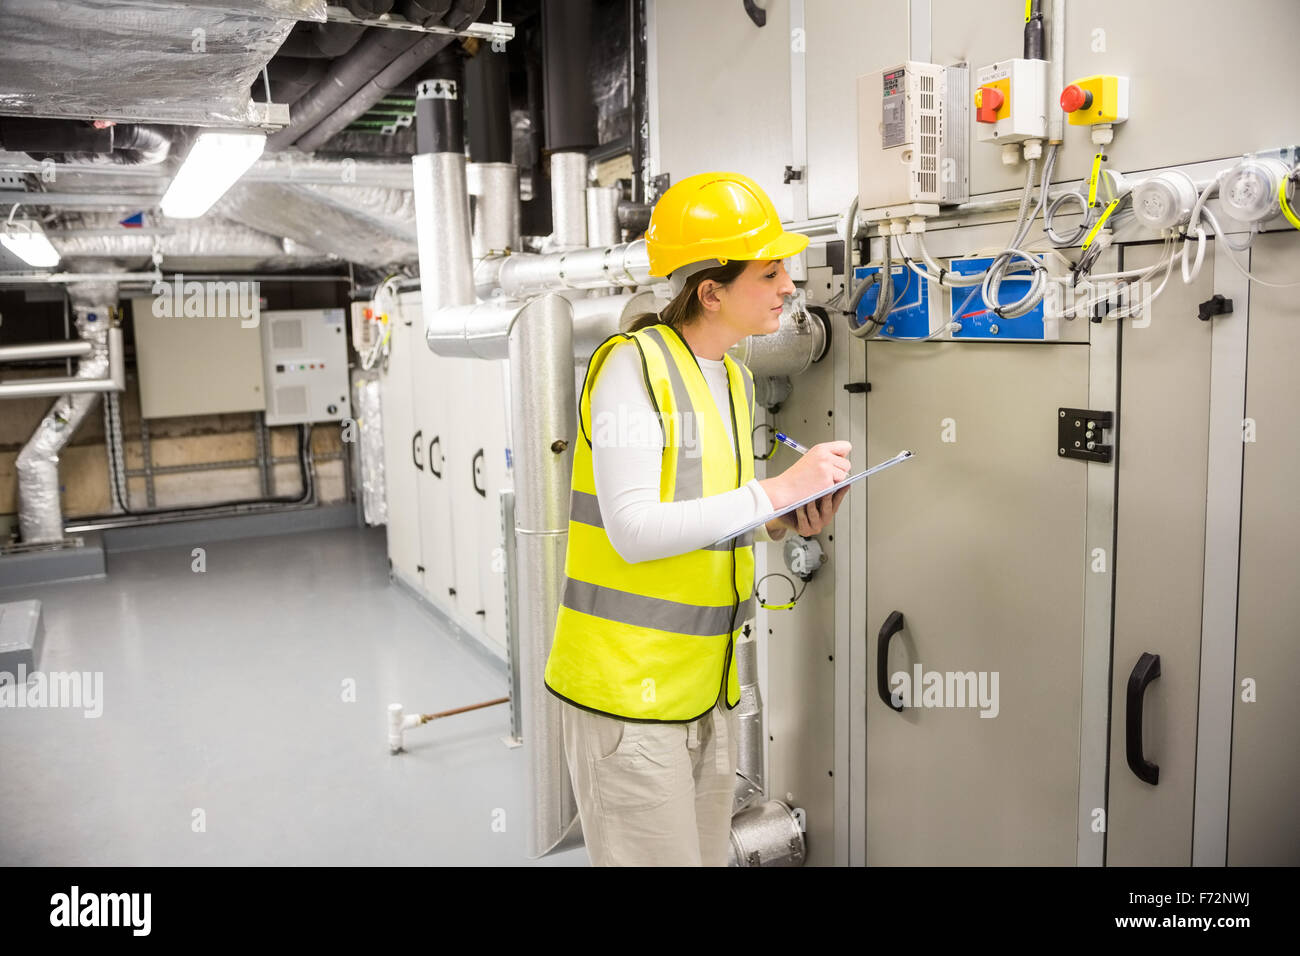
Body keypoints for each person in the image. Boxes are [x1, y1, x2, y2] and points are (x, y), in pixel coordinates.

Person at [544, 171, 851, 866]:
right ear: (710, 291)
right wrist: (773, 493)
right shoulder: (631, 366)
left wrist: (780, 521)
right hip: (628, 698)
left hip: (703, 692)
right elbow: (634, 530)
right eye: (770, 272)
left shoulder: (733, 378)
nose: (789, 287)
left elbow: (707, 514)